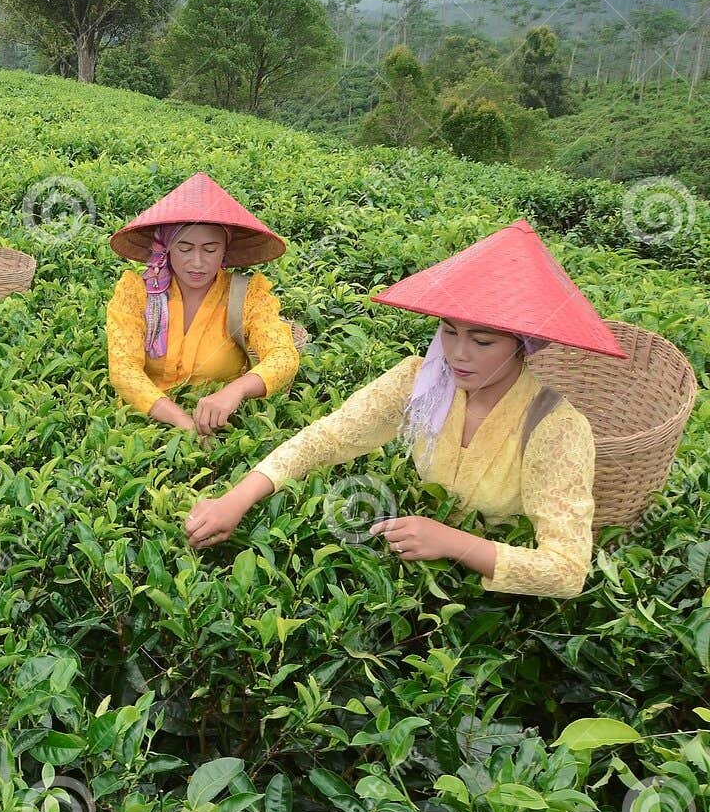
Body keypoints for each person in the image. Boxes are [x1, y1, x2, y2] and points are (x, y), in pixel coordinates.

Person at [185, 219, 627, 600]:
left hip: (502, 605)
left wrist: (456, 544)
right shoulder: (419, 381)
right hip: (416, 571)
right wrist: (236, 498)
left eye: (483, 341)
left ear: (522, 346)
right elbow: (328, 437)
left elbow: (567, 571)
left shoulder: (556, 428)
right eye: (449, 332)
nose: (458, 354)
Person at [105, 173, 299, 435]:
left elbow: (283, 356)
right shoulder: (136, 293)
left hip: (220, 430)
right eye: (184, 249)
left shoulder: (247, 295)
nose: (197, 263)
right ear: (167, 249)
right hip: (140, 428)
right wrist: (182, 421)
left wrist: (236, 390)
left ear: (224, 251)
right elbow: (123, 370)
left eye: (210, 250)